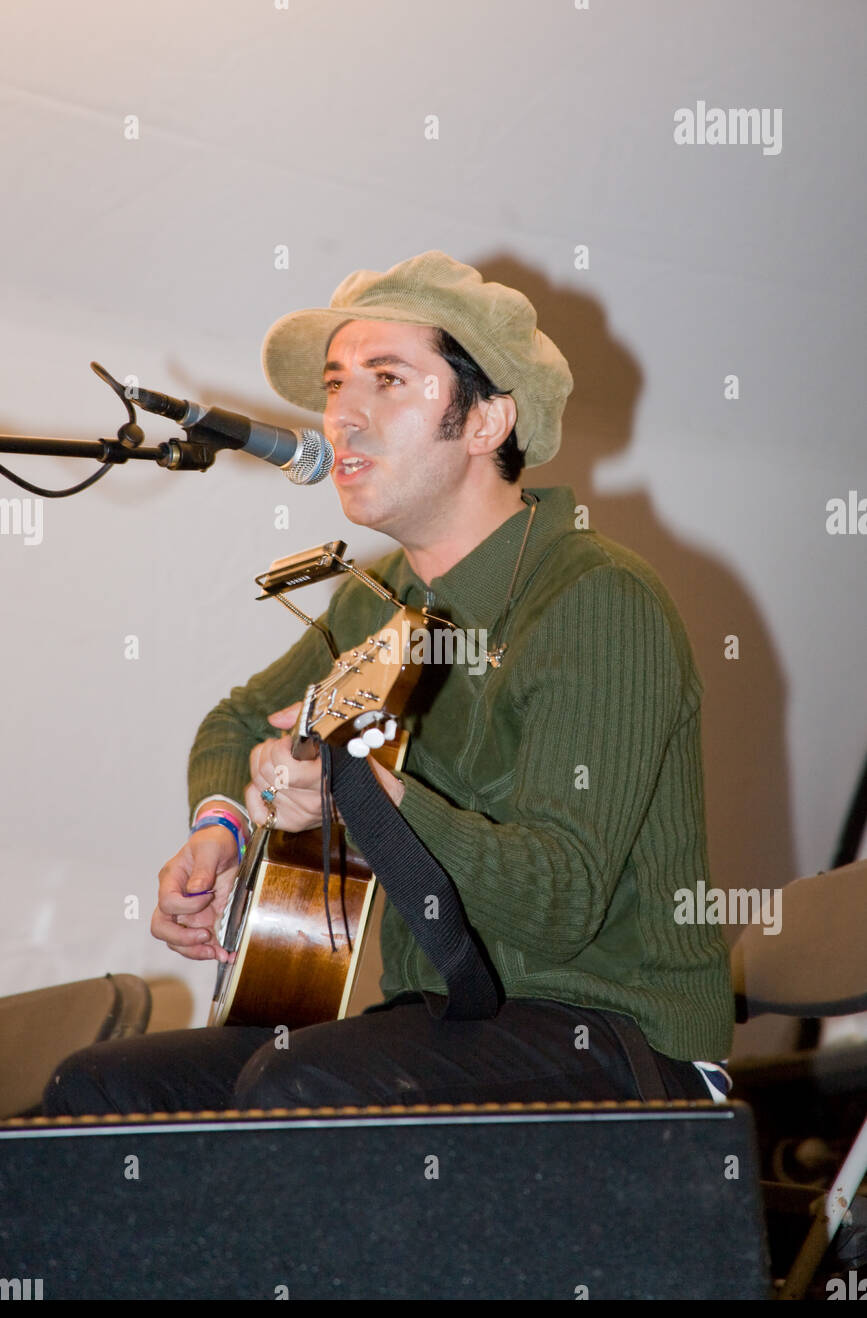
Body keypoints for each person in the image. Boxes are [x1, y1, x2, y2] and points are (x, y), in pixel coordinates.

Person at [43, 250, 734, 1117]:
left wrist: (355, 795)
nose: (343, 419)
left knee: (305, 1083)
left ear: (485, 421)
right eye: (336, 386)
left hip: (613, 1040)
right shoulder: (378, 602)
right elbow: (232, 724)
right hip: (436, 1025)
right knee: (102, 1087)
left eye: (388, 380)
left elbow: (559, 902)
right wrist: (221, 825)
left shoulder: (593, 597)